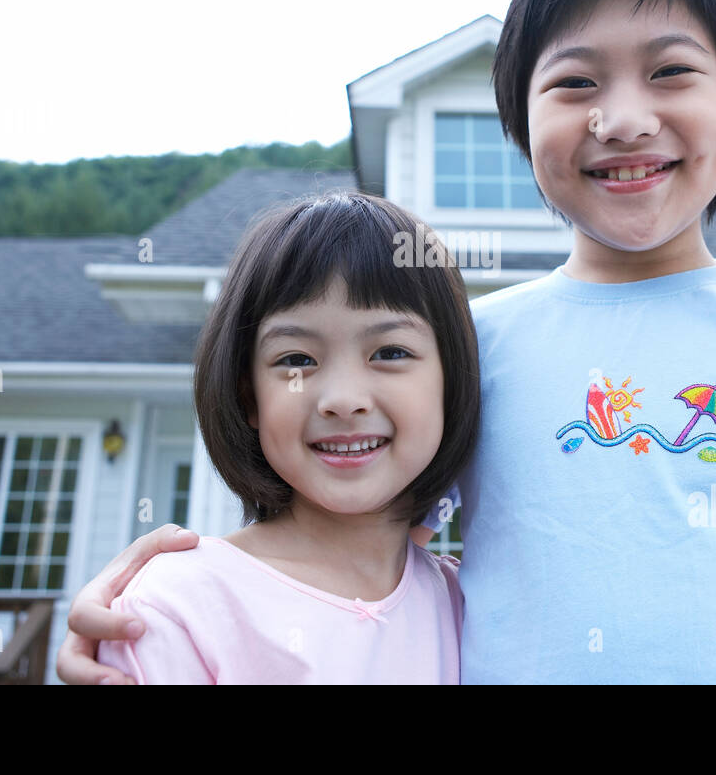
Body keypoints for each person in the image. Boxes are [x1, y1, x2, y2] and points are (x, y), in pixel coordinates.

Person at [60, 0, 716, 684]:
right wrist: (157, 604)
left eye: (671, 71)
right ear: (522, 127)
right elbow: (335, 543)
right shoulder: (457, 349)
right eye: (575, 82)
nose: (624, 120)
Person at [92, 191, 479, 683]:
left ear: (452, 382)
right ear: (249, 396)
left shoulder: (472, 608)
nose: (342, 399)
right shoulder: (177, 604)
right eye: (297, 360)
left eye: (390, 351)